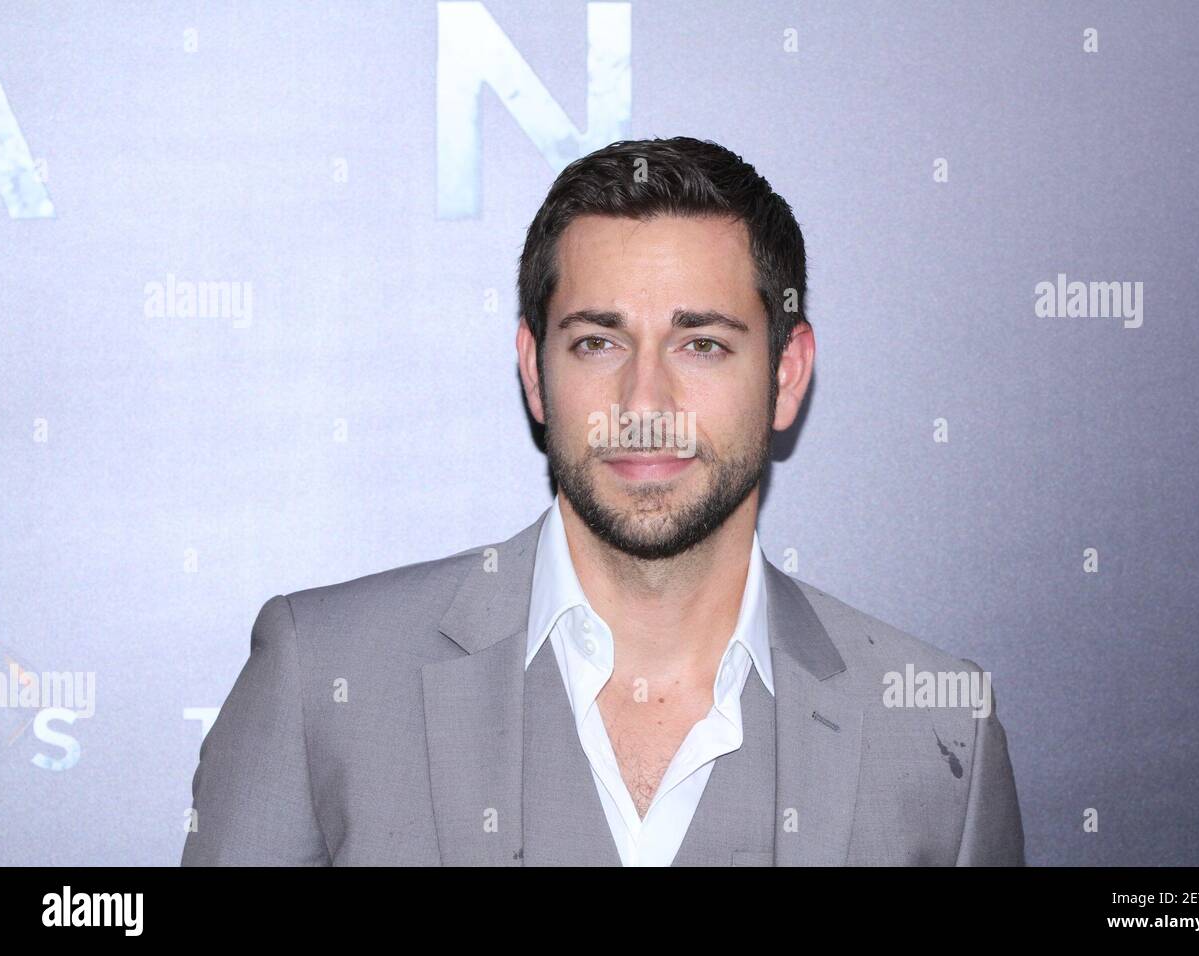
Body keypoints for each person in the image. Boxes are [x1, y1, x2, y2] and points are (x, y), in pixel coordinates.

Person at [181, 136, 1024, 866]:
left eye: (701, 343)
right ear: (534, 372)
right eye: (597, 341)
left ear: (786, 374)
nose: (644, 402)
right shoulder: (323, 679)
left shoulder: (936, 729)